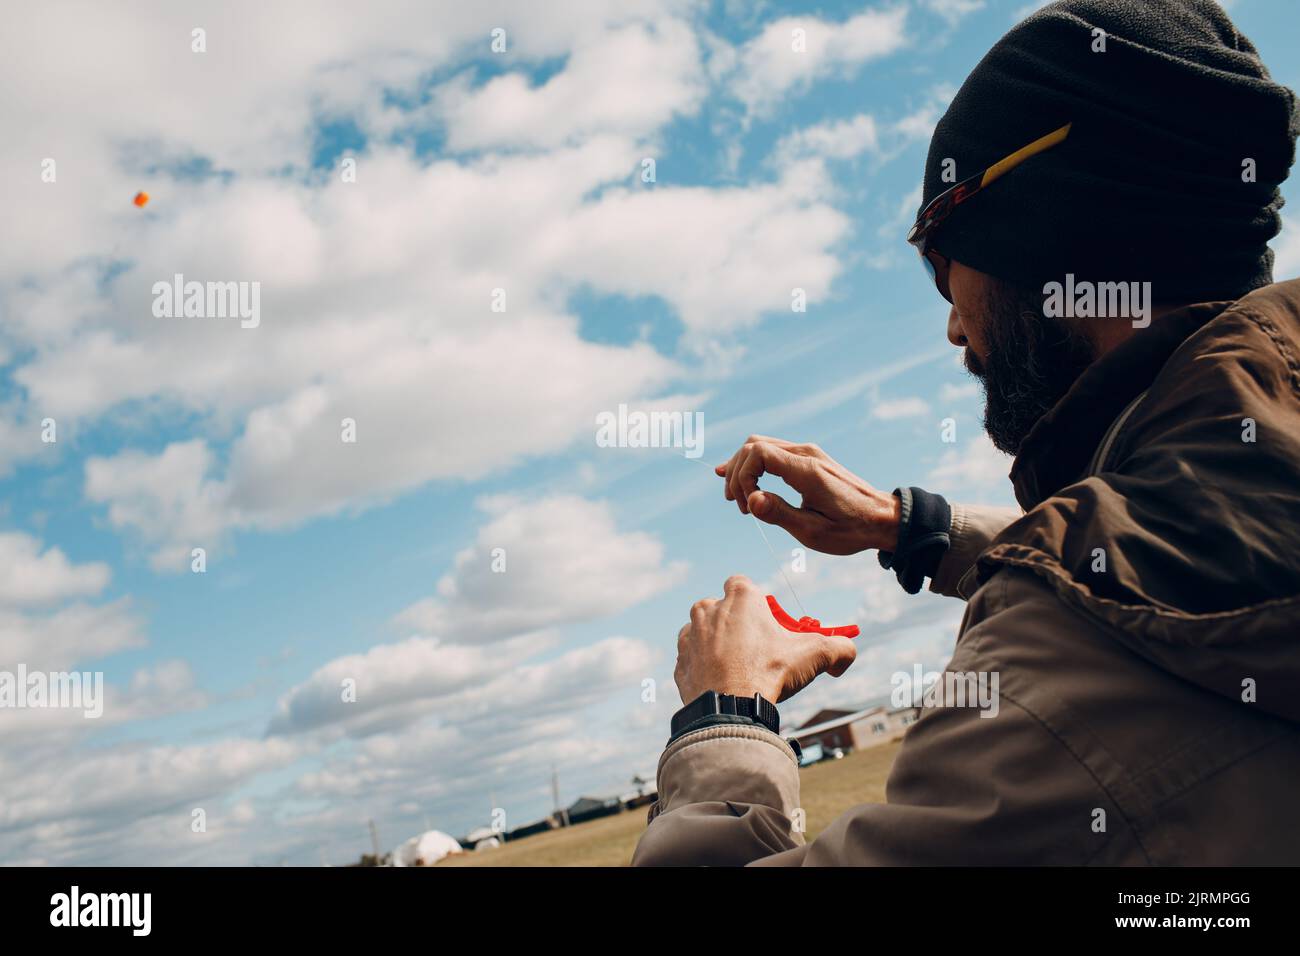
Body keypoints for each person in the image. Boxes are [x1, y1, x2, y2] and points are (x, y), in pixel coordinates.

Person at [633, 0, 1300, 866]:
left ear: (1053, 233)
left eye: (943, 260)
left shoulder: (1057, 681)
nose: (952, 325)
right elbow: (1198, 531)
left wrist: (725, 715)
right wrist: (921, 530)